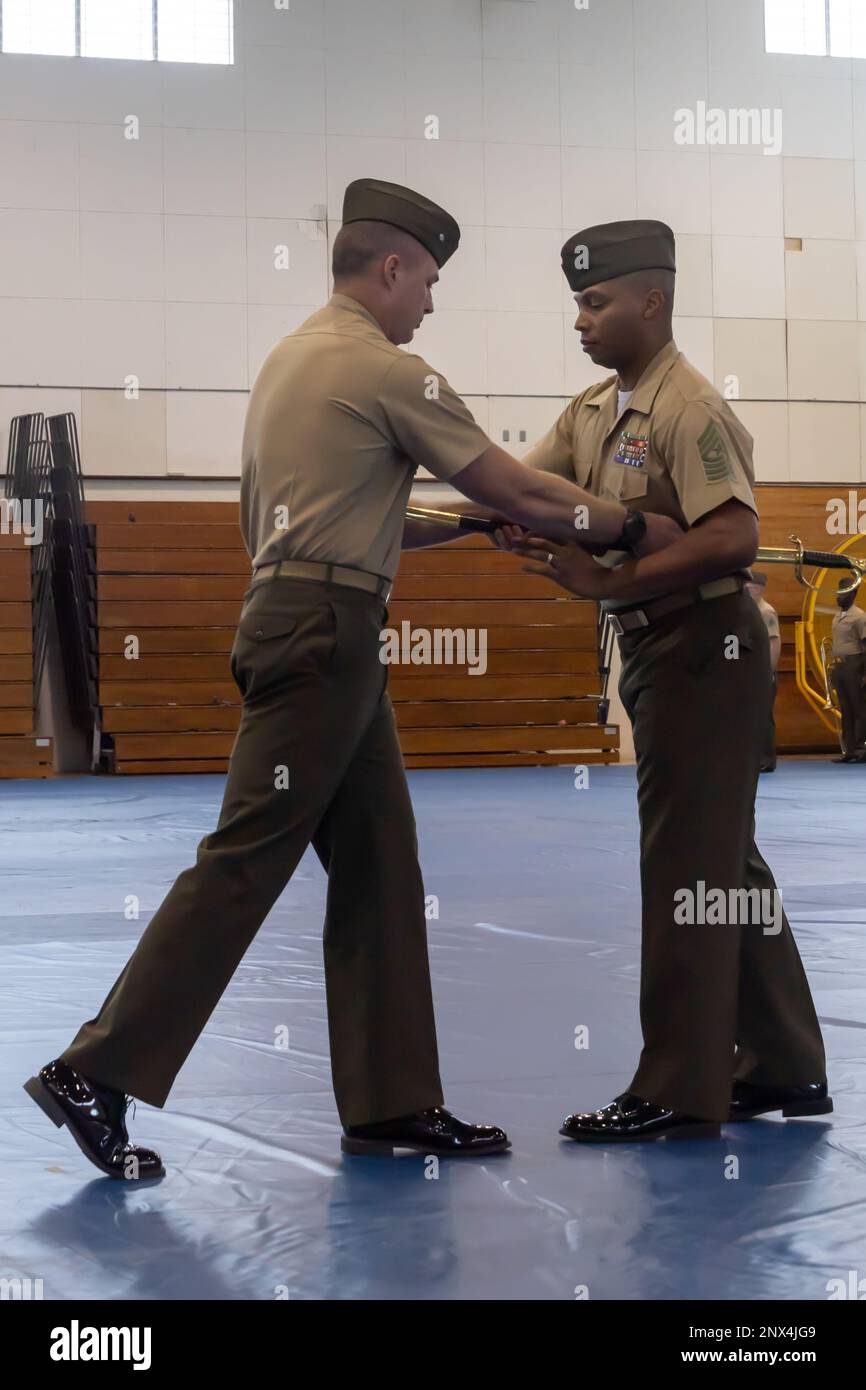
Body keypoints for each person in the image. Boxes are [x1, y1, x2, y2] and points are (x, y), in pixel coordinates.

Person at [24, 183, 679, 1179]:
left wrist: (456, 530)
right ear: (391, 270)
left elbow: (338, 513)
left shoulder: (290, 361)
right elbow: (506, 481)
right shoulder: (388, 370)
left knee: (380, 866)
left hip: (301, 618)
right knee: (245, 857)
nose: (428, 306)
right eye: (425, 284)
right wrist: (627, 526)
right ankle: (94, 1069)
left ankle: (391, 1103)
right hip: (327, 633)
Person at [497, 219, 830, 1141]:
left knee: (687, 870)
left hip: (703, 650)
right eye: (577, 304)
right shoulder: (597, 411)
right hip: (658, 651)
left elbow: (731, 534)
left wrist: (610, 578)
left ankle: (679, 1090)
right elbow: (524, 489)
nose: (581, 320)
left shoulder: (690, 409)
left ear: (653, 300)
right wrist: (462, 512)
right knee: (724, 866)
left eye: (596, 302)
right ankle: (789, 1068)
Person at [745, 572, 780, 772]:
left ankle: (766, 759)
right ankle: (757, 757)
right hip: (753, 672)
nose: (746, 589)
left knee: (764, 717)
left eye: (750, 586)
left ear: (759, 588)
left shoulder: (766, 612)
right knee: (755, 716)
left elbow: (774, 643)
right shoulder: (751, 611)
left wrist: (769, 670)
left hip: (764, 672)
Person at [829, 578, 866, 763]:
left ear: (853, 594)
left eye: (844, 593)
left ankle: (861, 751)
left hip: (855, 664)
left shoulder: (859, 616)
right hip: (840, 666)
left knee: (859, 709)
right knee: (846, 709)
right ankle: (849, 750)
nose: (839, 596)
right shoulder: (838, 616)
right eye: (838, 592)